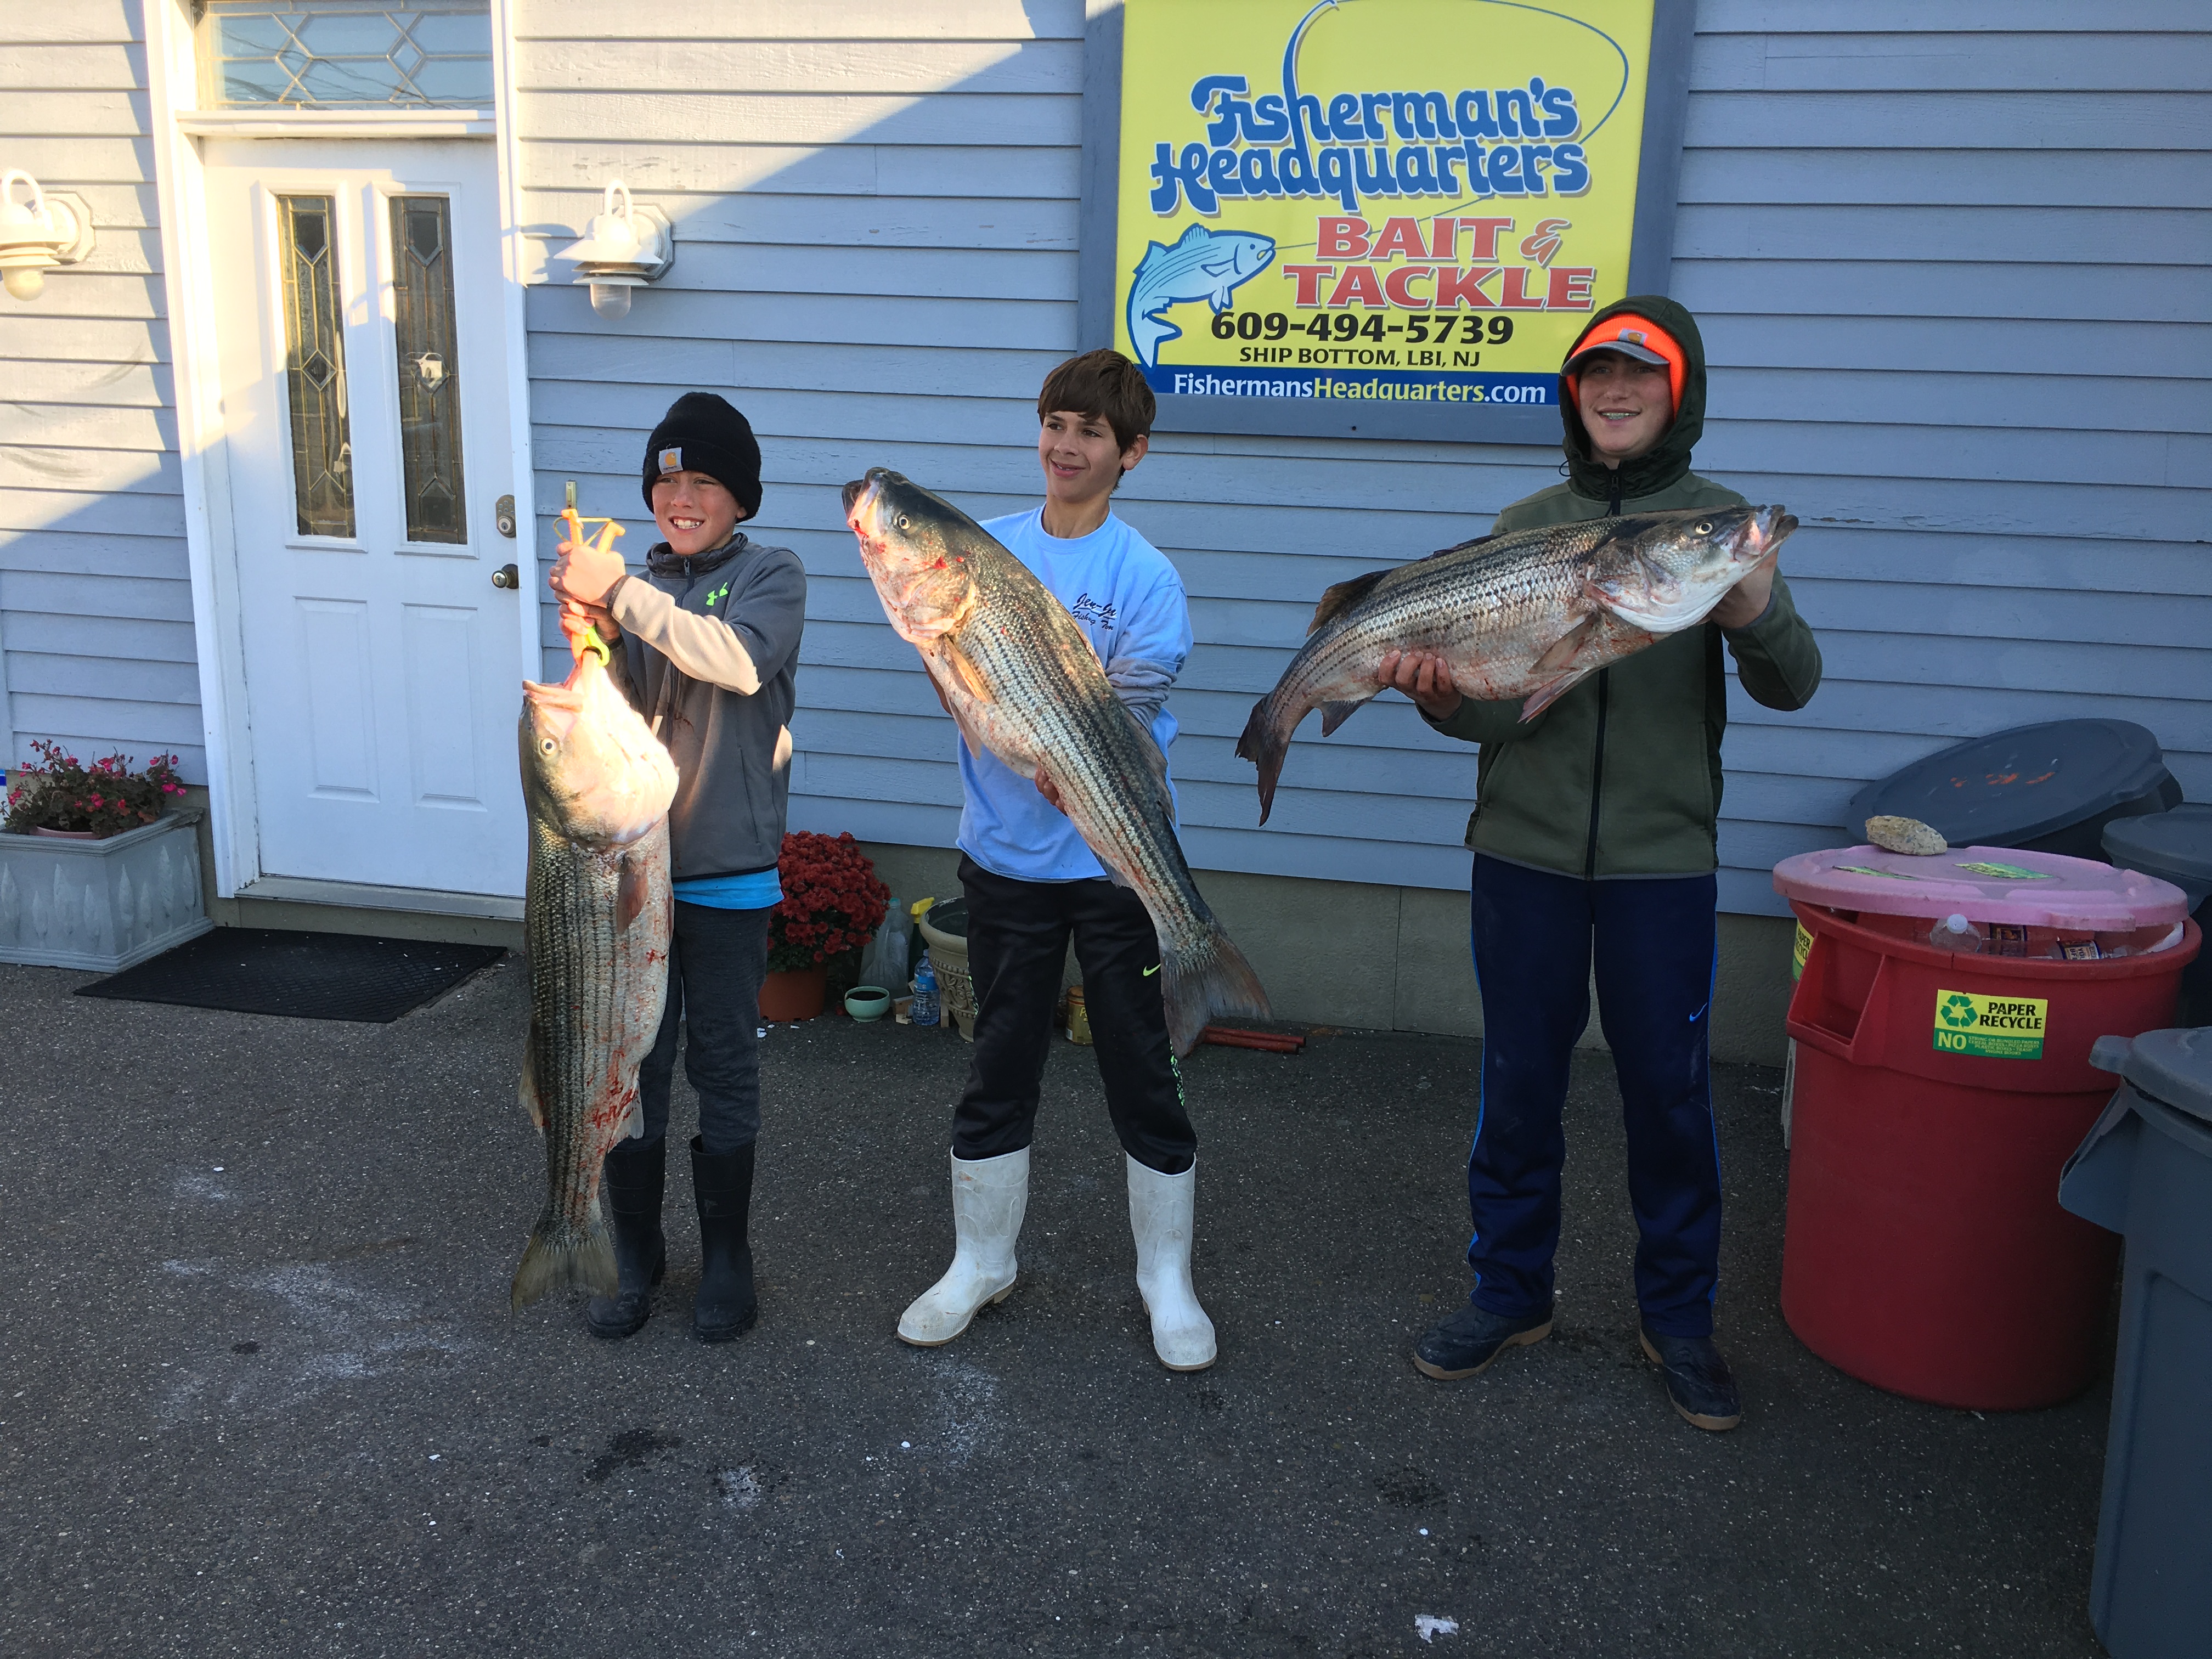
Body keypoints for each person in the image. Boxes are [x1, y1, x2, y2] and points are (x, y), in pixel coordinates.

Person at [1385, 297, 1821, 1430]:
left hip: (1660, 862)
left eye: (1641, 375)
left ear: (1681, 393)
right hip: (1522, 853)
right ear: (1572, 395)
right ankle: (1508, 1293)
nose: (1615, 393)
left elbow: (1794, 684)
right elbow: (1497, 720)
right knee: (1518, 1087)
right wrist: (1441, 704)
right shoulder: (1528, 520)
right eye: (1595, 377)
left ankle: (1677, 1319)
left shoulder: (1718, 526)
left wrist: (1756, 607)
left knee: (1668, 1098)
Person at [895, 348, 1217, 1372]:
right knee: (1000, 1063)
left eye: (1091, 433)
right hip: (1002, 861)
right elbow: (957, 683)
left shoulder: (1146, 576)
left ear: (1132, 453)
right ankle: (981, 1261)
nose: (1066, 446)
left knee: (1141, 1069)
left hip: (1117, 863)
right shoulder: (978, 552)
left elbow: (1126, 720)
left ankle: (1166, 1279)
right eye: (1055, 424)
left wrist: (1057, 753)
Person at [548, 392, 806, 1344]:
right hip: (628, 876)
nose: (682, 498)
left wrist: (621, 596)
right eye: (668, 481)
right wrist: (591, 633)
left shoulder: (772, 576)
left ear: (739, 498)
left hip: (728, 875)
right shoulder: (641, 583)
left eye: (703, 482)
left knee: (726, 1062)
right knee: (631, 1063)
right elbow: (605, 715)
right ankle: (638, 1247)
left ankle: (728, 1254)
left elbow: (736, 663)